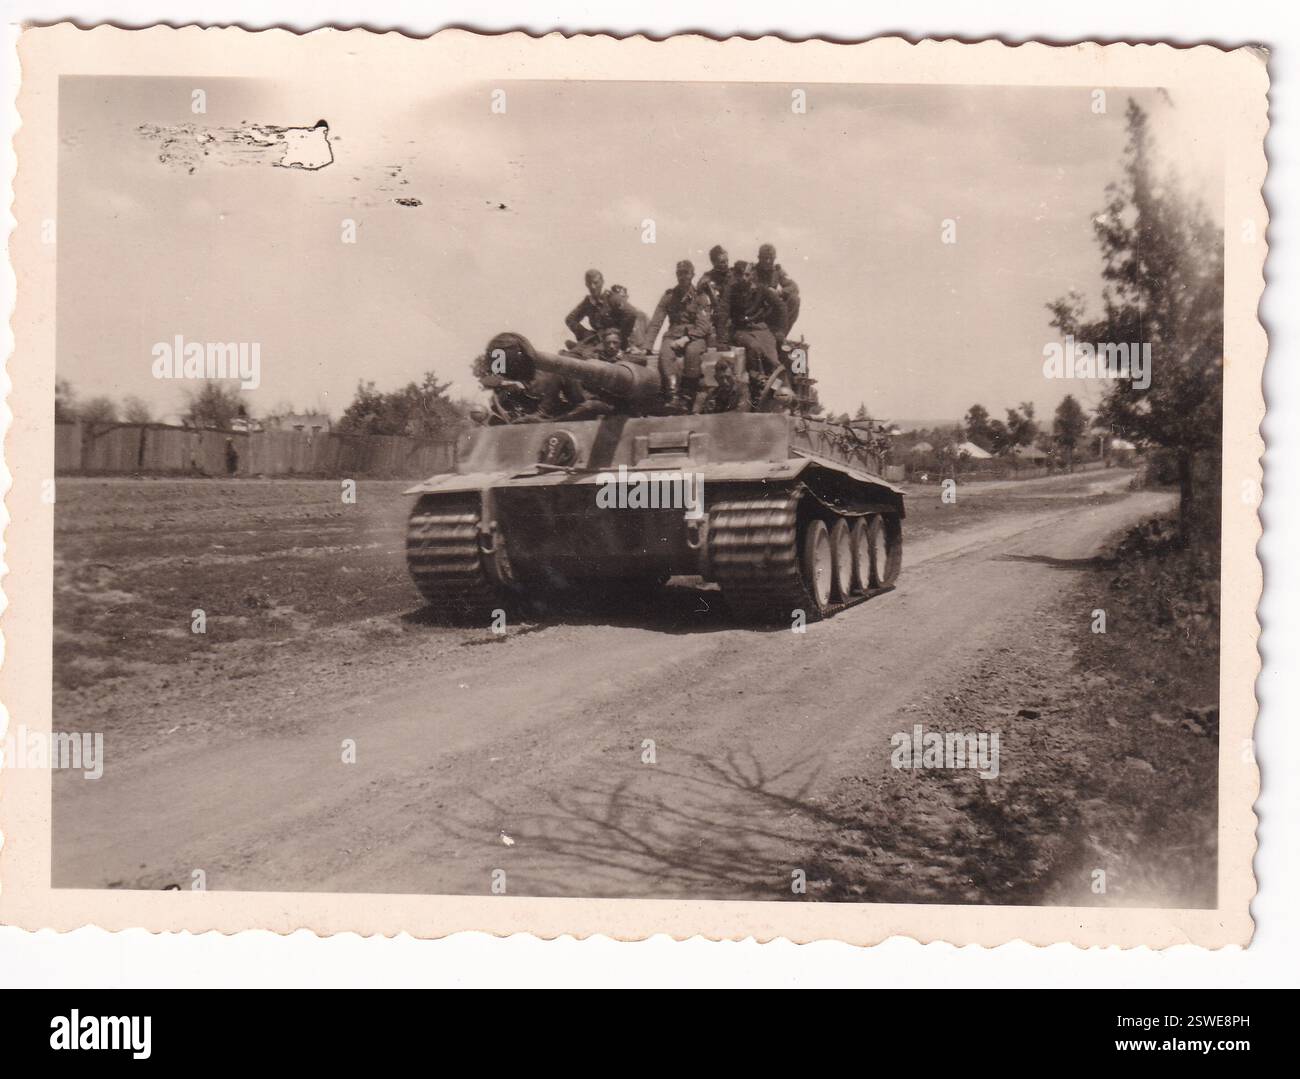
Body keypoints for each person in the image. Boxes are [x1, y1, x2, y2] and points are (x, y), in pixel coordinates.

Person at [645, 259, 713, 409]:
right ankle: (673, 395)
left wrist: (687, 338)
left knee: (692, 352)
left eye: (686, 273)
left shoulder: (700, 297)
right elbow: (656, 321)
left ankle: (688, 395)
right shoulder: (669, 296)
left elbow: (703, 325)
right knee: (665, 354)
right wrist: (647, 346)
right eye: (679, 273)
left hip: (695, 335)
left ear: (692, 275)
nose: (682, 277)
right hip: (673, 334)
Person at [728, 259, 787, 394]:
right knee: (754, 347)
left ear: (752, 274)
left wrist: (781, 331)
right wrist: (721, 339)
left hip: (761, 329)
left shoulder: (762, 289)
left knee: (774, 361)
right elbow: (723, 311)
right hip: (741, 330)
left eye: (747, 274)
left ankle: (774, 391)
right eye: (740, 275)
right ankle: (757, 380)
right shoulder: (732, 291)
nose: (744, 278)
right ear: (735, 275)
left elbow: (781, 307)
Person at [754, 243, 800, 335]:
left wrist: (779, 292)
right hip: (754, 311)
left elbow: (794, 287)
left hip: (770, 310)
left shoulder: (777, 271)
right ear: (759, 257)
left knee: (794, 299)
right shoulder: (752, 270)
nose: (768, 261)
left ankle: (781, 335)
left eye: (771, 258)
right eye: (765, 258)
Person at [564, 269, 616, 345]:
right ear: (586, 285)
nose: (593, 287)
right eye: (589, 283)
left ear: (602, 282)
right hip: (598, 341)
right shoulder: (588, 302)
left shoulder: (612, 299)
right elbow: (570, 319)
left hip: (614, 342)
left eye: (596, 283)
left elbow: (629, 318)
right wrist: (586, 334)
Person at [697, 244, 734, 346]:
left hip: (733, 316)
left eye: (727, 261)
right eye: (722, 262)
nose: (726, 264)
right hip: (716, 318)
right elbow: (699, 290)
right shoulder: (708, 277)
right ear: (713, 262)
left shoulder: (733, 274)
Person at [606, 284, 649, 352]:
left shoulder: (640, 315)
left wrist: (644, 349)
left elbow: (648, 333)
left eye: (622, 297)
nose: (619, 301)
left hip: (638, 349)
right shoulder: (610, 315)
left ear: (627, 297)